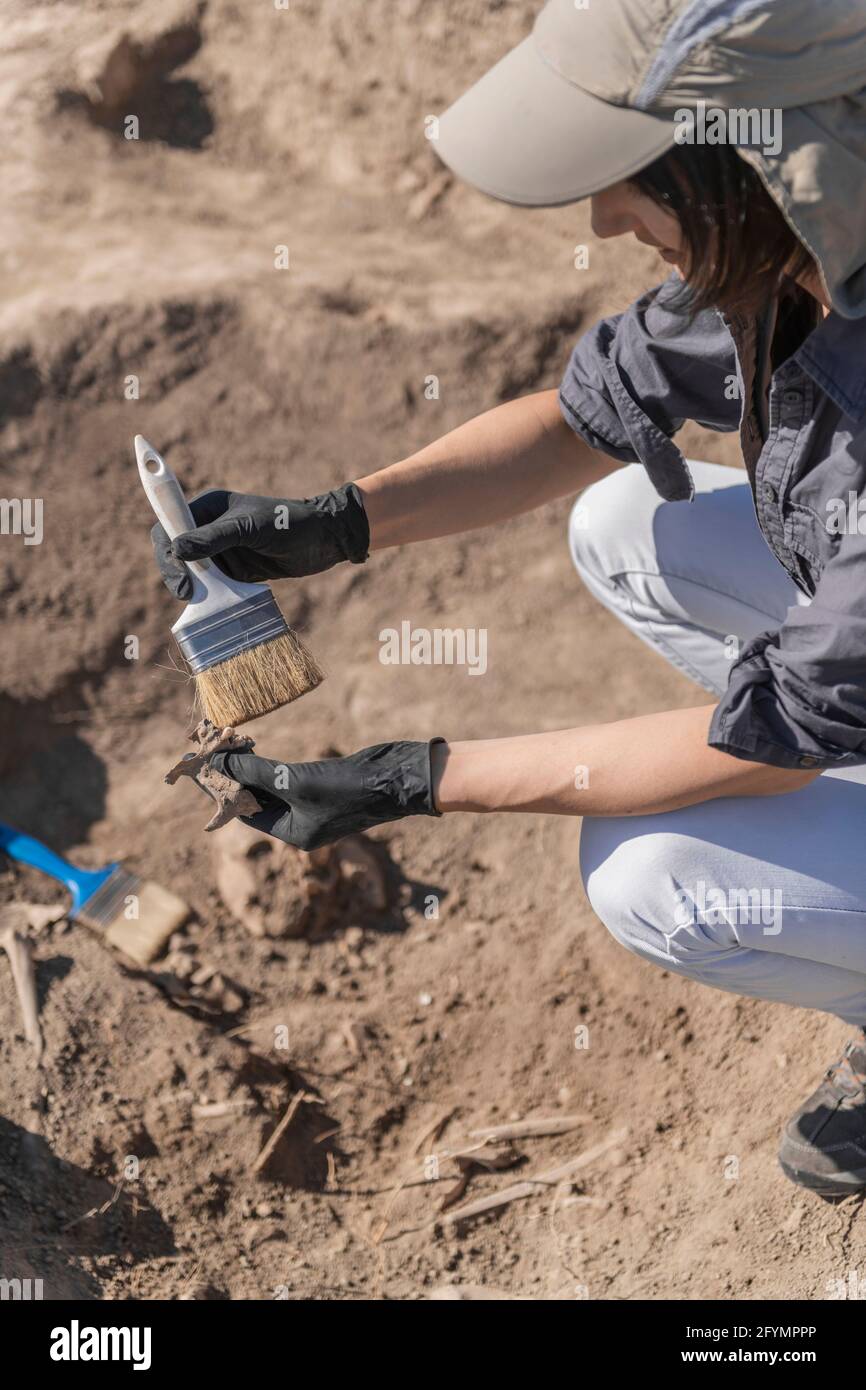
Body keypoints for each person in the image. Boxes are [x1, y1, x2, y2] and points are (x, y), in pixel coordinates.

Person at [151, 0, 866, 1198]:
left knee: (649, 881)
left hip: (822, 694)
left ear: (756, 158)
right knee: (624, 522)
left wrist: (412, 779)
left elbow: (764, 748)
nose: (600, 219)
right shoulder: (794, 261)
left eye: (631, 179)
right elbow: (580, 424)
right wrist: (329, 520)